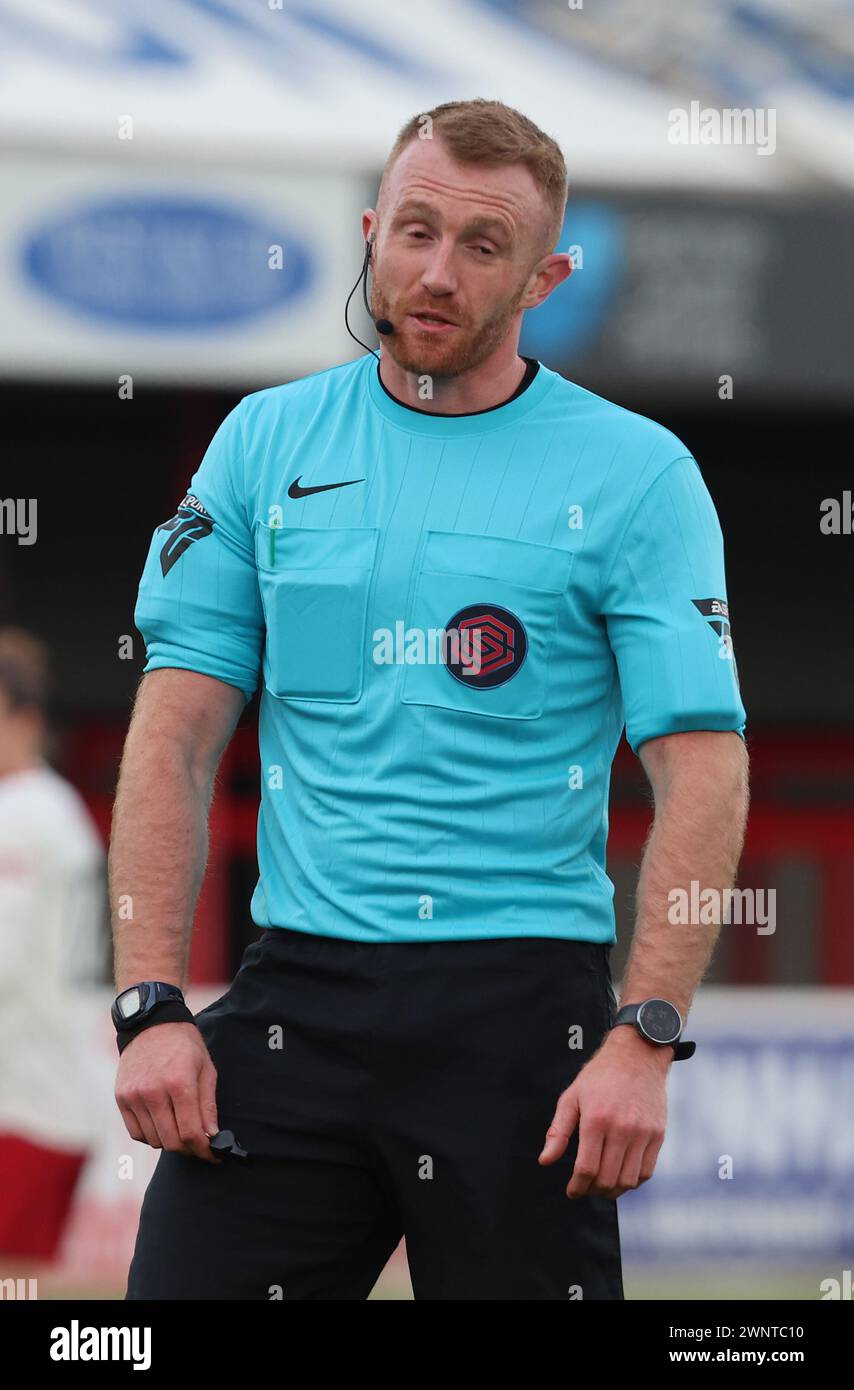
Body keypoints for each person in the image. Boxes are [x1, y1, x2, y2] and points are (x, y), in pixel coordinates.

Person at [115, 99, 749, 1301]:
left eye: (481, 246)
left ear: (544, 276)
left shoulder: (638, 473)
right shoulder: (260, 442)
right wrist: (149, 1000)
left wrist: (645, 1031)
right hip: (295, 997)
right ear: (369, 233)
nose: (436, 273)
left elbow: (700, 766)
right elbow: (175, 733)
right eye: (413, 232)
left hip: (523, 1027)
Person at [0, 629, 107, 1281]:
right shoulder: (54, 809)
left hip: (27, 1098)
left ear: (26, 717)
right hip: (44, 1090)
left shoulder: (28, 812)